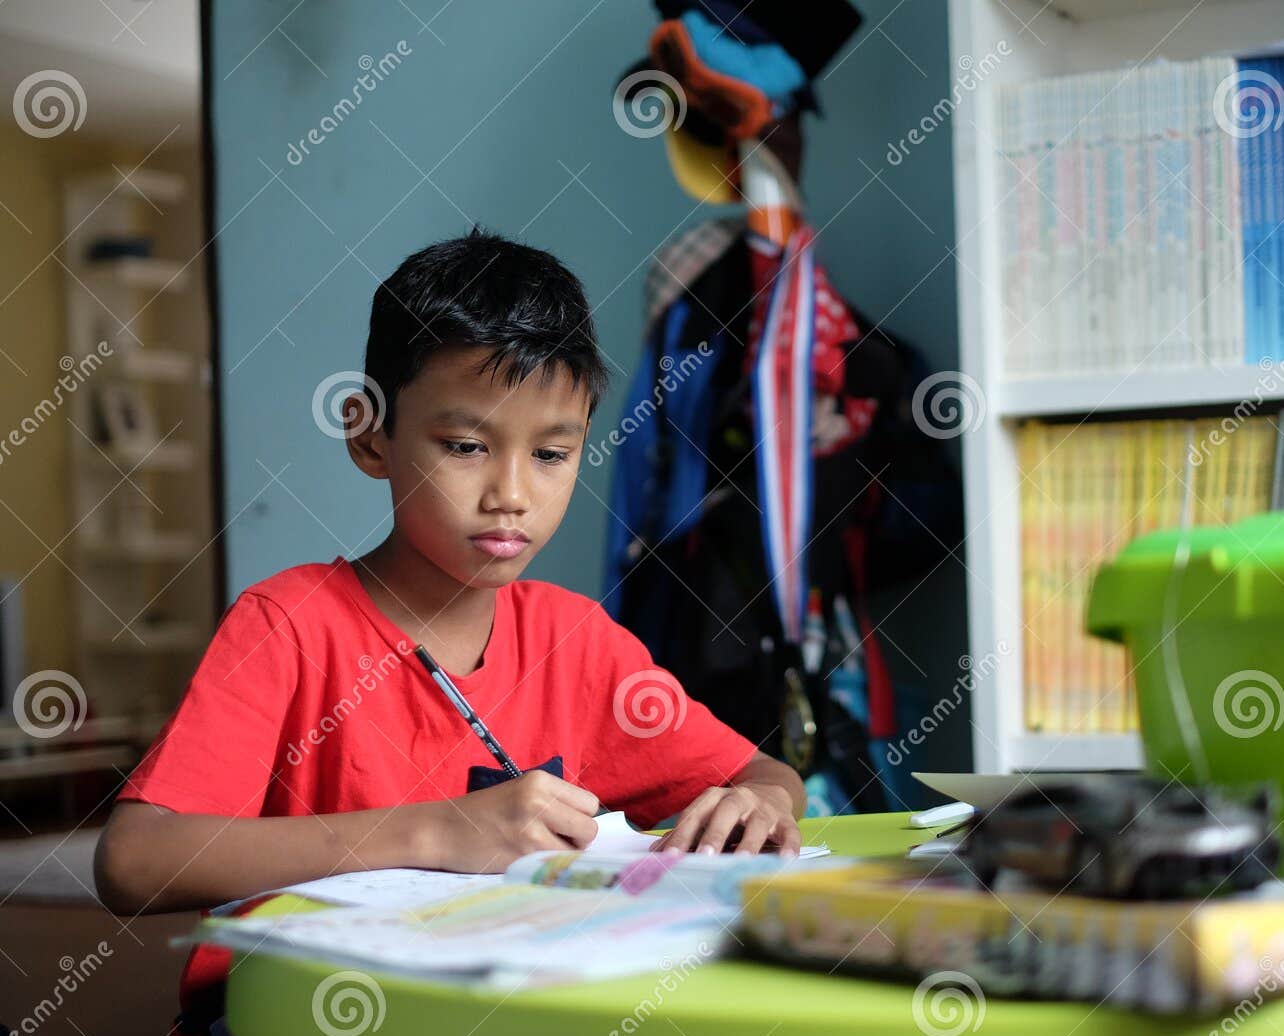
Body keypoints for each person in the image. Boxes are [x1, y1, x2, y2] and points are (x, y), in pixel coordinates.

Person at [94, 227, 805, 920]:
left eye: (552, 455)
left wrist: (763, 801)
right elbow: (134, 861)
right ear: (371, 436)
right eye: (466, 445)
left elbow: (766, 774)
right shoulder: (289, 624)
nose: (512, 495)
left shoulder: (576, 641)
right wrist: (435, 832)